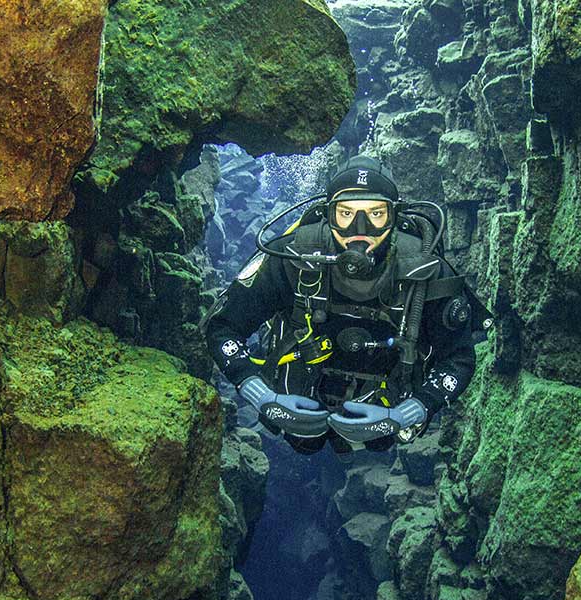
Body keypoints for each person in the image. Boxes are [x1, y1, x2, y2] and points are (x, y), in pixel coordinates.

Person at [202, 154, 489, 457]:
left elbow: (458, 359)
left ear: (393, 217)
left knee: (378, 444)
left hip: (385, 411)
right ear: (329, 215)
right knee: (304, 444)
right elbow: (221, 327)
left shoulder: (425, 270)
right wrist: (261, 395)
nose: (359, 229)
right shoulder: (290, 259)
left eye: (376, 214)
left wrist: (409, 412)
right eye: (345, 213)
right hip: (294, 400)